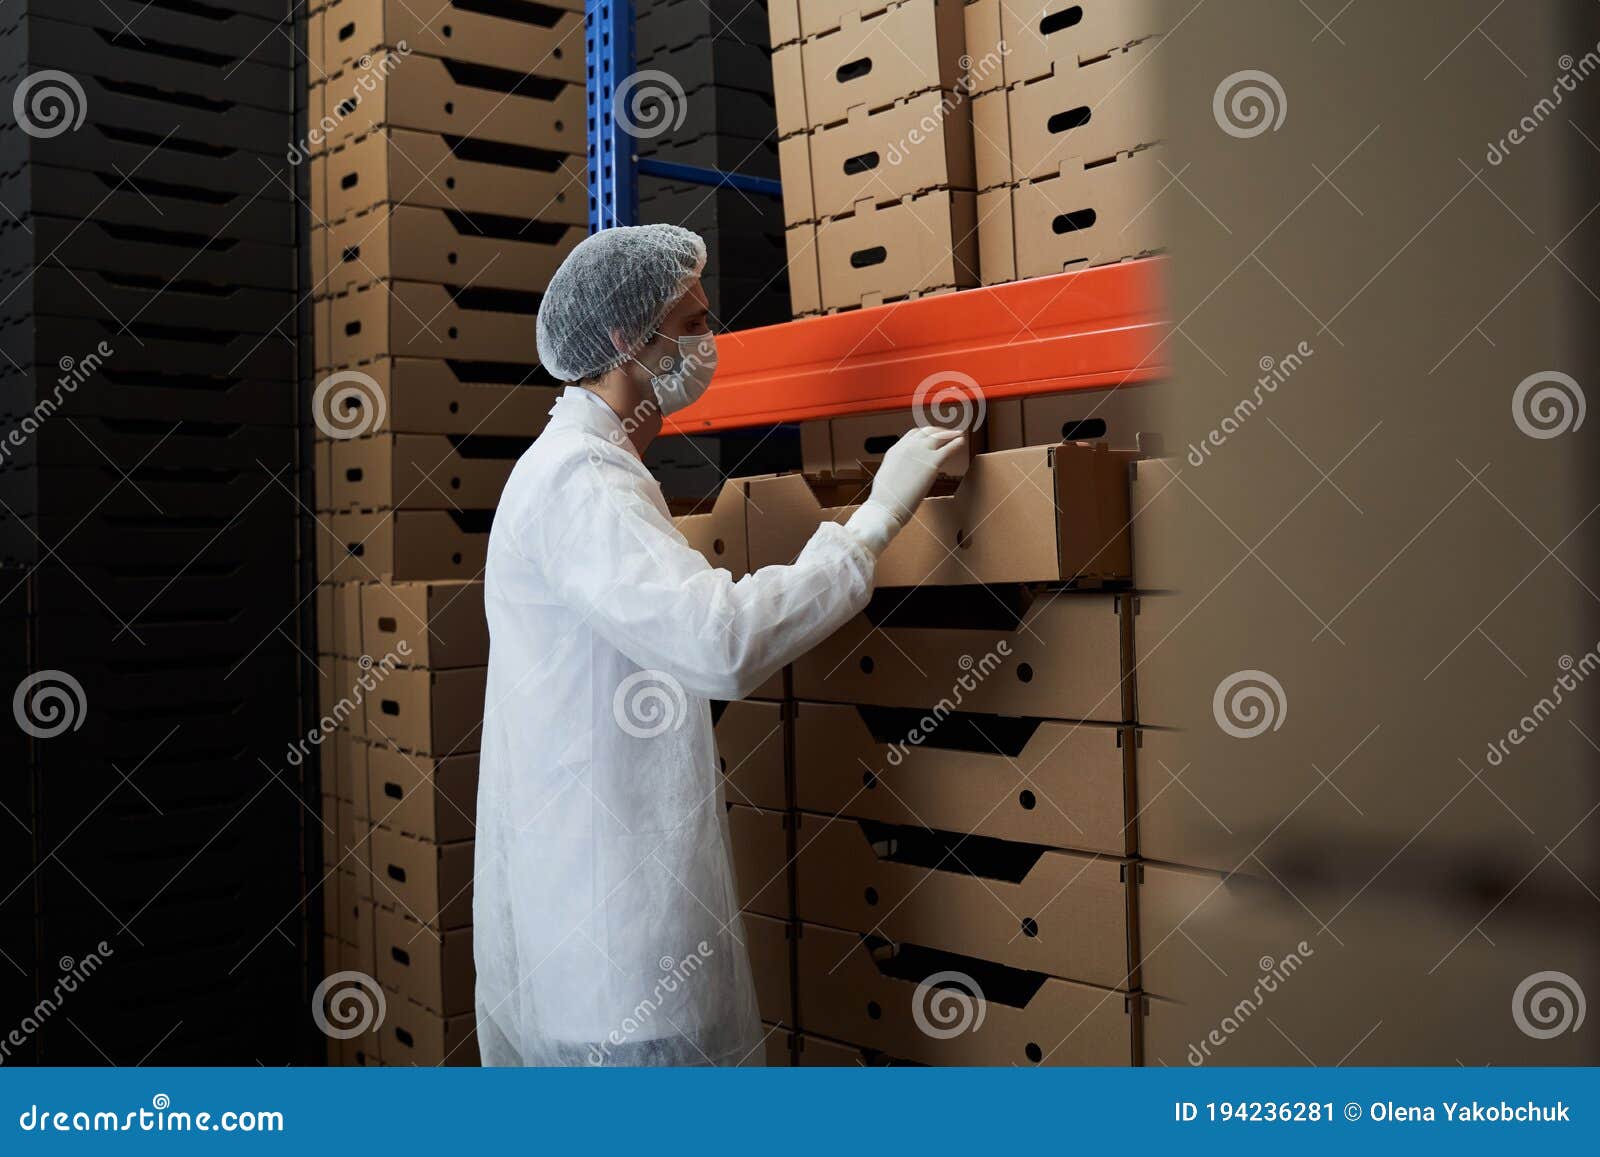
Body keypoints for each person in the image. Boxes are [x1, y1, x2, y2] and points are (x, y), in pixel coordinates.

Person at [473, 224, 965, 1066]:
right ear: (627, 338)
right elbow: (718, 640)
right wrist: (874, 521)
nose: (710, 341)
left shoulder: (591, 467)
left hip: (604, 923)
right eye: (693, 322)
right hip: (614, 947)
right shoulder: (580, 480)